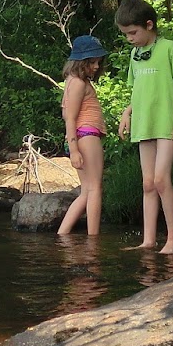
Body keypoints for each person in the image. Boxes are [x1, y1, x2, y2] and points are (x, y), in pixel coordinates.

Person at [114, 0, 173, 253]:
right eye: (126, 34)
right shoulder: (135, 54)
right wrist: (127, 113)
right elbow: (139, 89)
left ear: (149, 25)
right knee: (147, 182)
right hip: (144, 123)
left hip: (167, 124)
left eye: (133, 32)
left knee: (161, 180)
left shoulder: (169, 48)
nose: (130, 38)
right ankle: (149, 240)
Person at [57, 35, 109, 237]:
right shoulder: (78, 83)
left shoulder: (73, 81)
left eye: (98, 61)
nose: (96, 66)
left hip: (82, 136)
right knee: (95, 189)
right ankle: (93, 240)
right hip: (86, 135)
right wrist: (74, 149)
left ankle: (62, 235)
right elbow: (69, 118)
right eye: (91, 62)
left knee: (87, 191)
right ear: (80, 61)